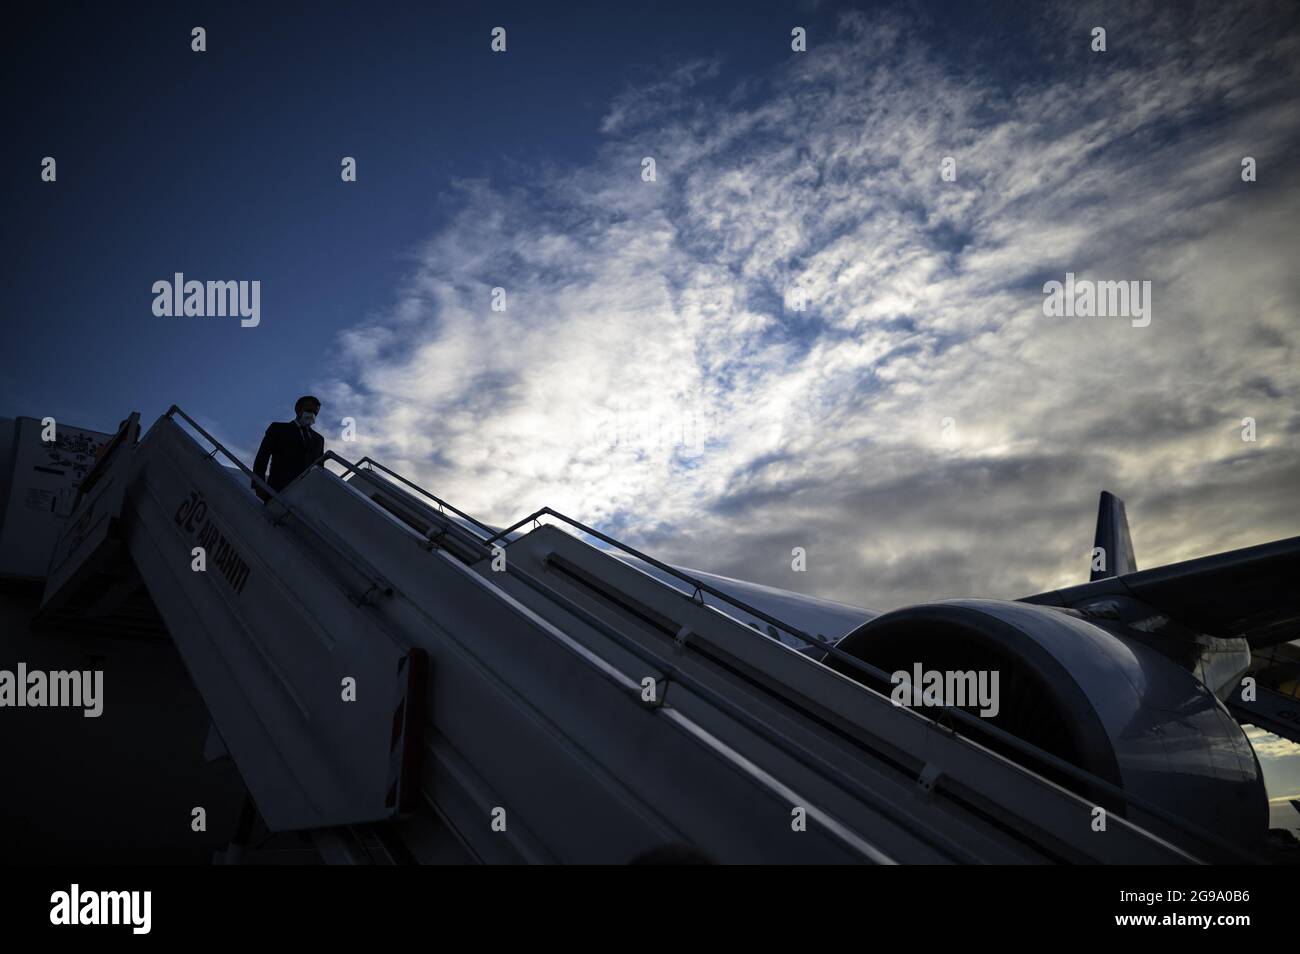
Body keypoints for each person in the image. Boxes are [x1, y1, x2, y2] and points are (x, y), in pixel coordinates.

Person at [251, 395, 325, 502]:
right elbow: (262, 457)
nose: (312, 415)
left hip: (307, 495)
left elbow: (319, 467)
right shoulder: (278, 429)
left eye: (315, 413)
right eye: (308, 410)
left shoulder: (319, 439)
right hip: (278, 490)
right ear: (298, 410)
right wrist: (259, 485)